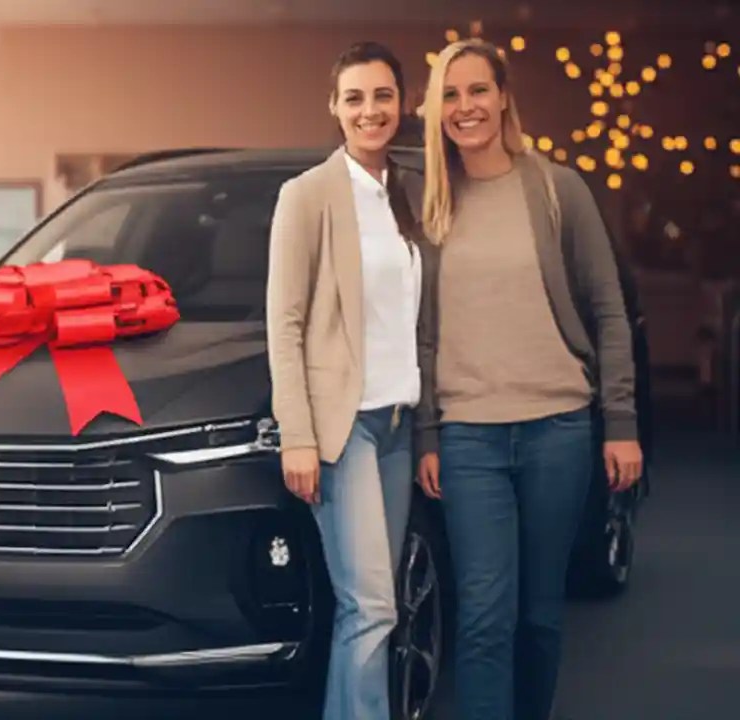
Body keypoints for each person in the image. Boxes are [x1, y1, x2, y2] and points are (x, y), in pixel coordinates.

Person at [414, 38, 644, 720]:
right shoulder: (428, 201)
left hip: (559, 430)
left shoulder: (556, 187)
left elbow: (607, 310)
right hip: (468, 442)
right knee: (485, 615)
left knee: (540, 616)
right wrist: (428, 429)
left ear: (504, 95)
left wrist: (622, 422)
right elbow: (418, 334)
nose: (465, 107)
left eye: (477, 90)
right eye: (450, 96)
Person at [266, 41, 425, 719]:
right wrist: (298, 436)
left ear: (402, 103)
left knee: (369, 609)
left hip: (398, 424)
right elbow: (287, 321)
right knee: (373, 608)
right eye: (354, 98)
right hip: (345, 429)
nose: (370, 110)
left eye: (382, 96)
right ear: (334, 107)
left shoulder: (406, 193)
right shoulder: (307, 195)